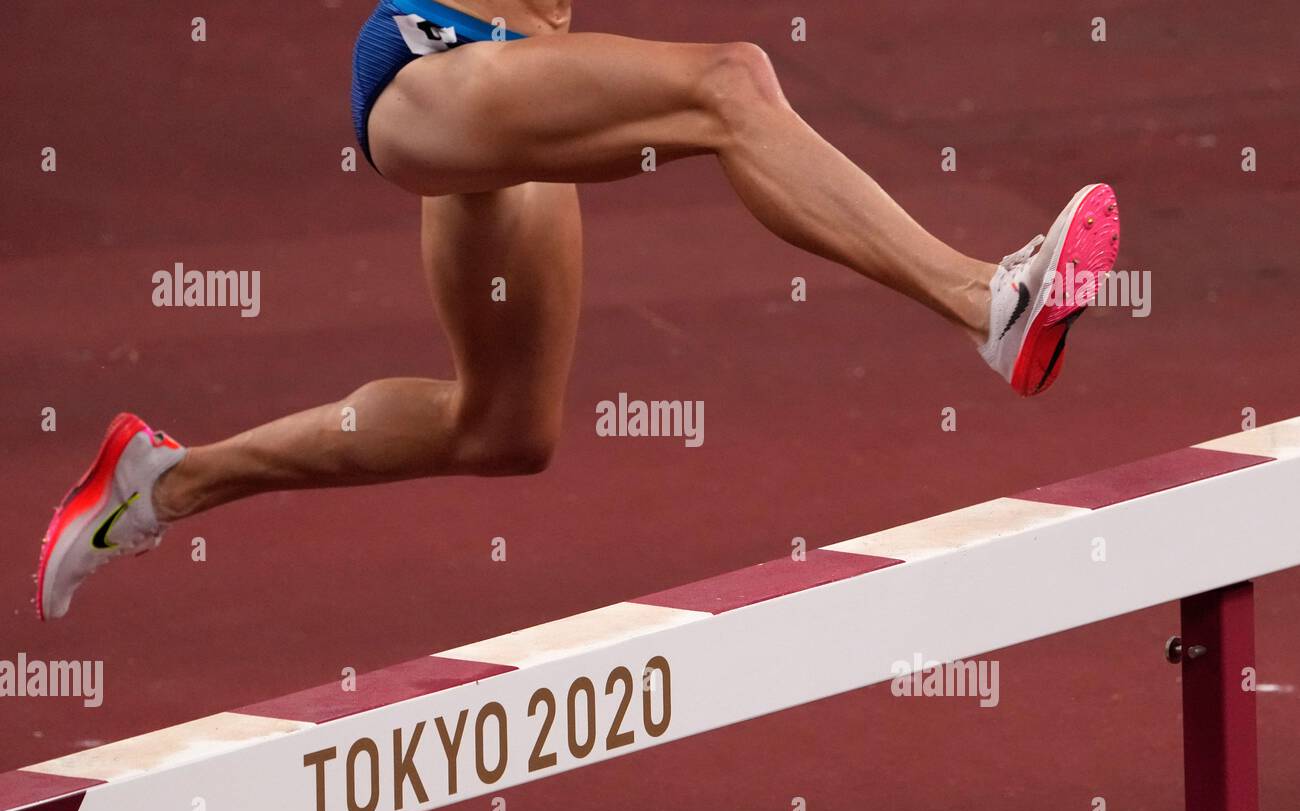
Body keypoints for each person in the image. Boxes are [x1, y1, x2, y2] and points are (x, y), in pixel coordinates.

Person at [36, 0, 1120, 619]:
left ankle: (161, 484)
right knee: (727, 87)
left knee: (503, 427)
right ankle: (987, 300)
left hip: (512, 93)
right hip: (435, 60)